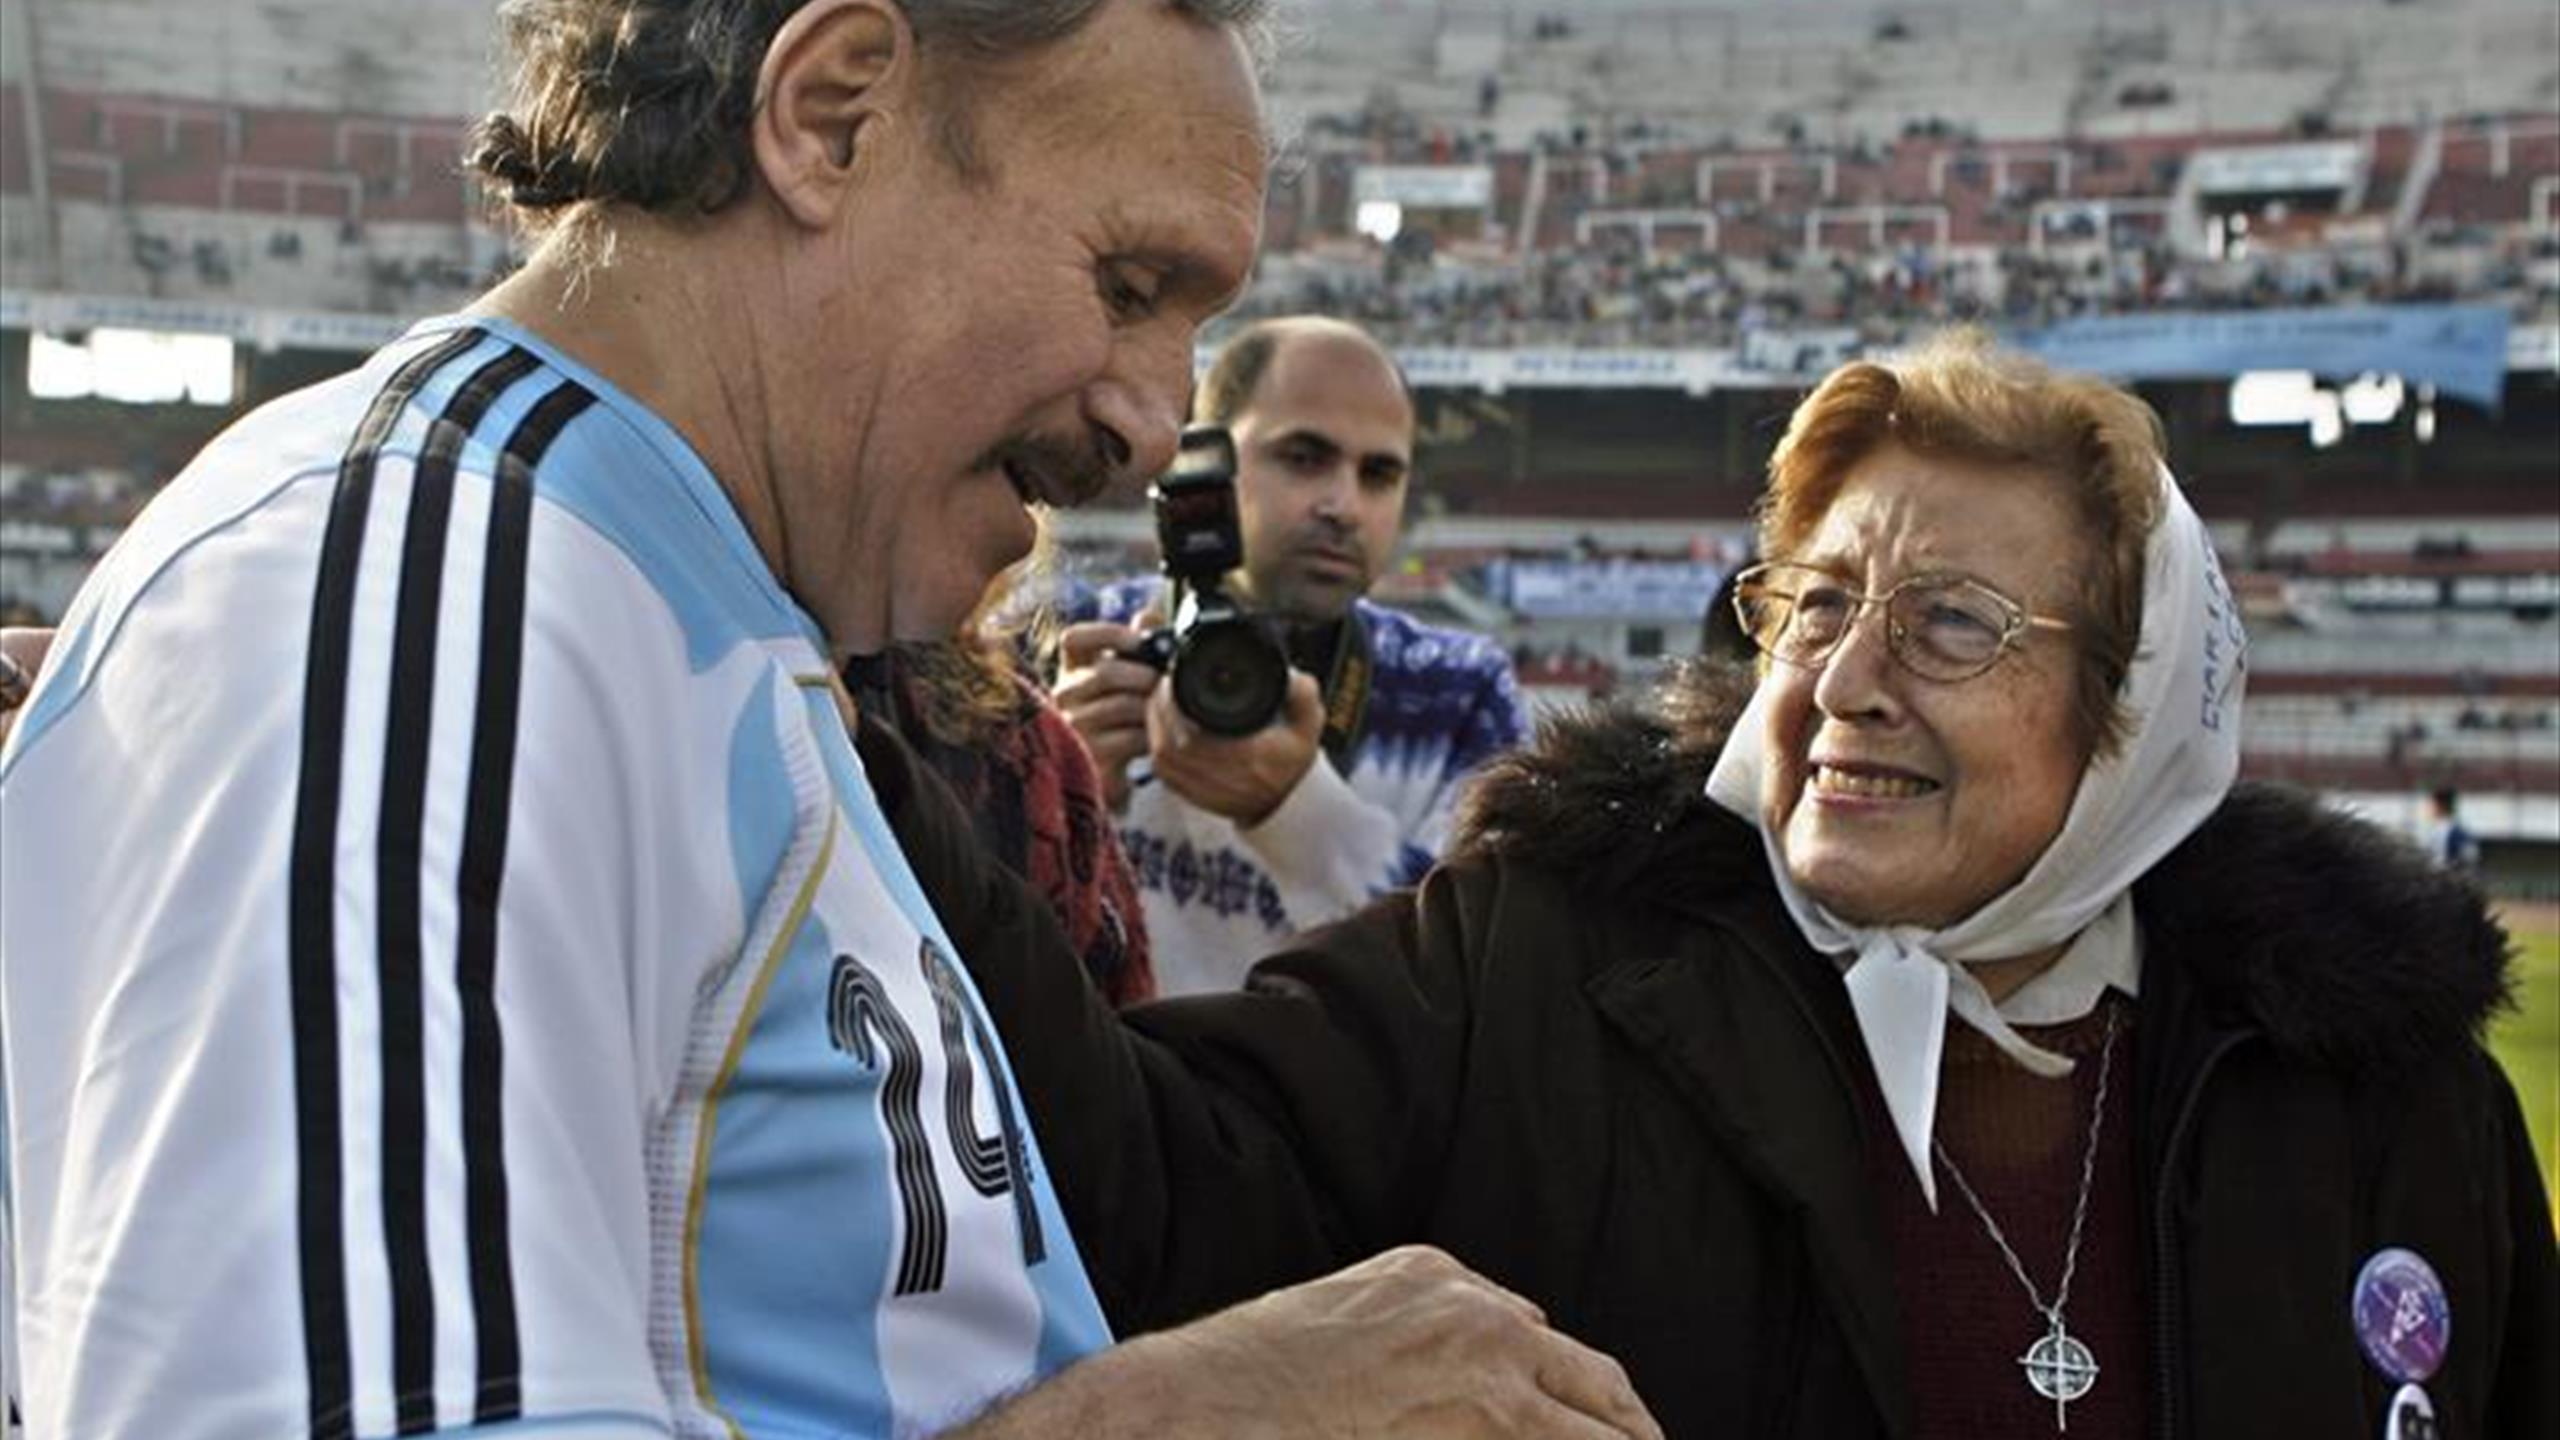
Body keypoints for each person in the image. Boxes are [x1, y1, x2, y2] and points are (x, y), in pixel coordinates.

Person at [0, 3, 1662, 1437]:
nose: (1159, 430)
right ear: (831, 113)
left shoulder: (705, 610)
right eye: (1131, 280)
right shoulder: (435, 594)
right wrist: (1215, 1406)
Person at [910, 333, 2559, 1438]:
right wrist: (882, 745)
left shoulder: (2386, 1104)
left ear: (2133, 712)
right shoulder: (1536, 966)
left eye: (1952, 624)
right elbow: (1134, 1174)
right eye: (1817, 607)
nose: (1843, 682)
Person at [1053, 316, 1529, 993]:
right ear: (1203, 461)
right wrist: (1059, 789)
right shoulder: (1071, 643)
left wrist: (1295, 811)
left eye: (1379, 474)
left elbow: (1479, 984)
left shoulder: (1460, 693)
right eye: (1304, 458)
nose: (1344, 505)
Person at [2419, 785, 2484, 875]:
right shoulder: (2434, 829)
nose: (2429, 809)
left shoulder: (2456, 831)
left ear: (2441, 806)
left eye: (2432, 805)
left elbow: (2470, 857)